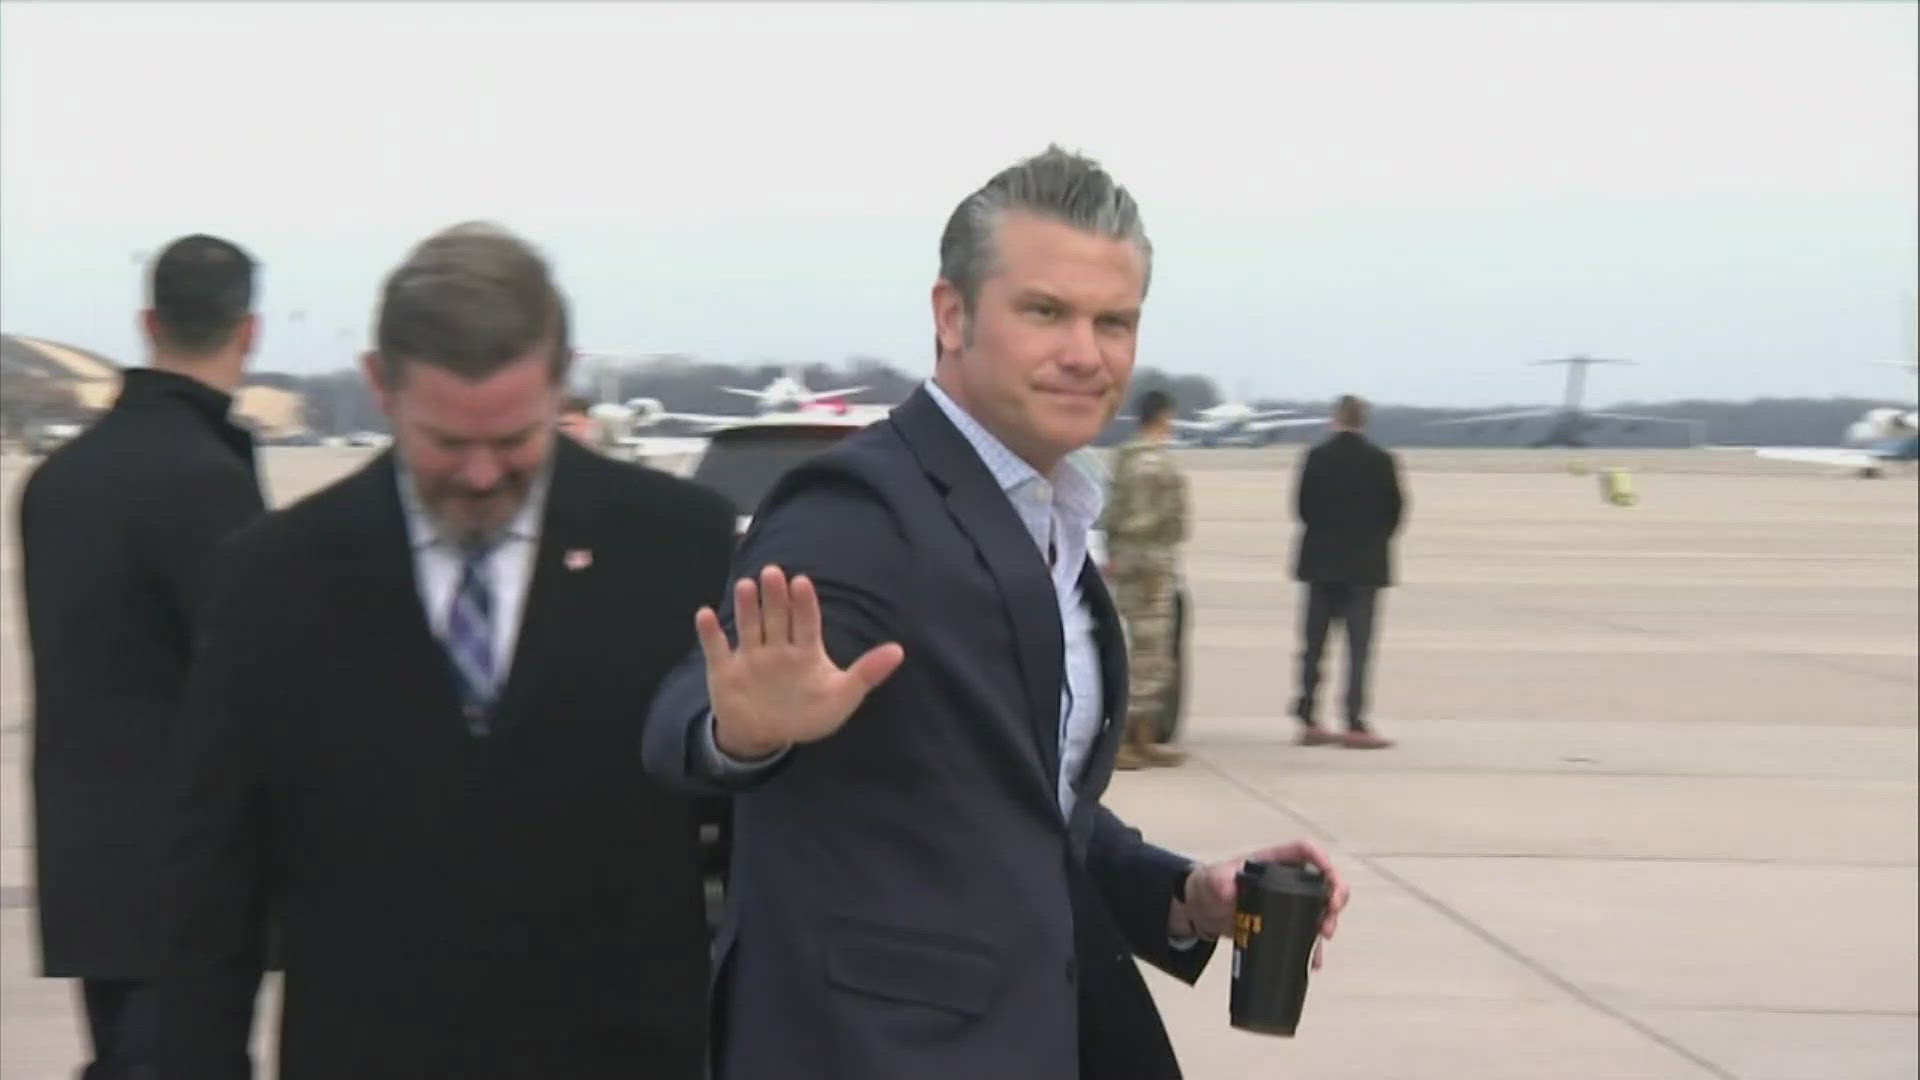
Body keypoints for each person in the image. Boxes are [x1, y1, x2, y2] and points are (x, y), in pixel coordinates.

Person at [643, 146, 1347, 1080]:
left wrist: (1185, 895)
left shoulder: (1053, 526)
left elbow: (1027, 815)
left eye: (1114, 322)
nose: (1085, 353)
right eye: (1045, 312)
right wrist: (741, 729)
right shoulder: (864, 511)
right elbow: (682, 716)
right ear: (952, 316)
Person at [155, 223, 737, 1079]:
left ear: (560, 375)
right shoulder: (272, 578)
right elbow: (213, 886)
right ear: (378, 386)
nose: (478, 475)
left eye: (511, 442)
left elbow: (745, 837)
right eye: (445, 444)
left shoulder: (680, 544)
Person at [17, 234, 269, 1080]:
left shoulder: (56, 482)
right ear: (251, 330)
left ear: (147, 322)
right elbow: (246, 681)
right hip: (191, 881)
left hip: (90, 869)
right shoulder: (210, 479)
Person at [1289, 394, 1404, 750]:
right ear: (1363, 421)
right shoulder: (1382, 461)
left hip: (1320, 564)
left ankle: (1308, 716)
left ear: (1335, 419)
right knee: (1358, 649)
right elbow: (1395, 511)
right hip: (1365, 567)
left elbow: (1302, 507)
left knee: (1314, 646)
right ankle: (1354, 720)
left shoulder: (1316, 458)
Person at [1103, 388, 1189, 768]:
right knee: (1149, 654)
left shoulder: (1123, 458)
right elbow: (1163, 518)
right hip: (1151, 563)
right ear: (1164, 417)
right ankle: (1128, 739)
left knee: (1140, 650)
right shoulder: (1156, 464)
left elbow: (1112, 513)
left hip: (1130, 561)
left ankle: (1142, 737)